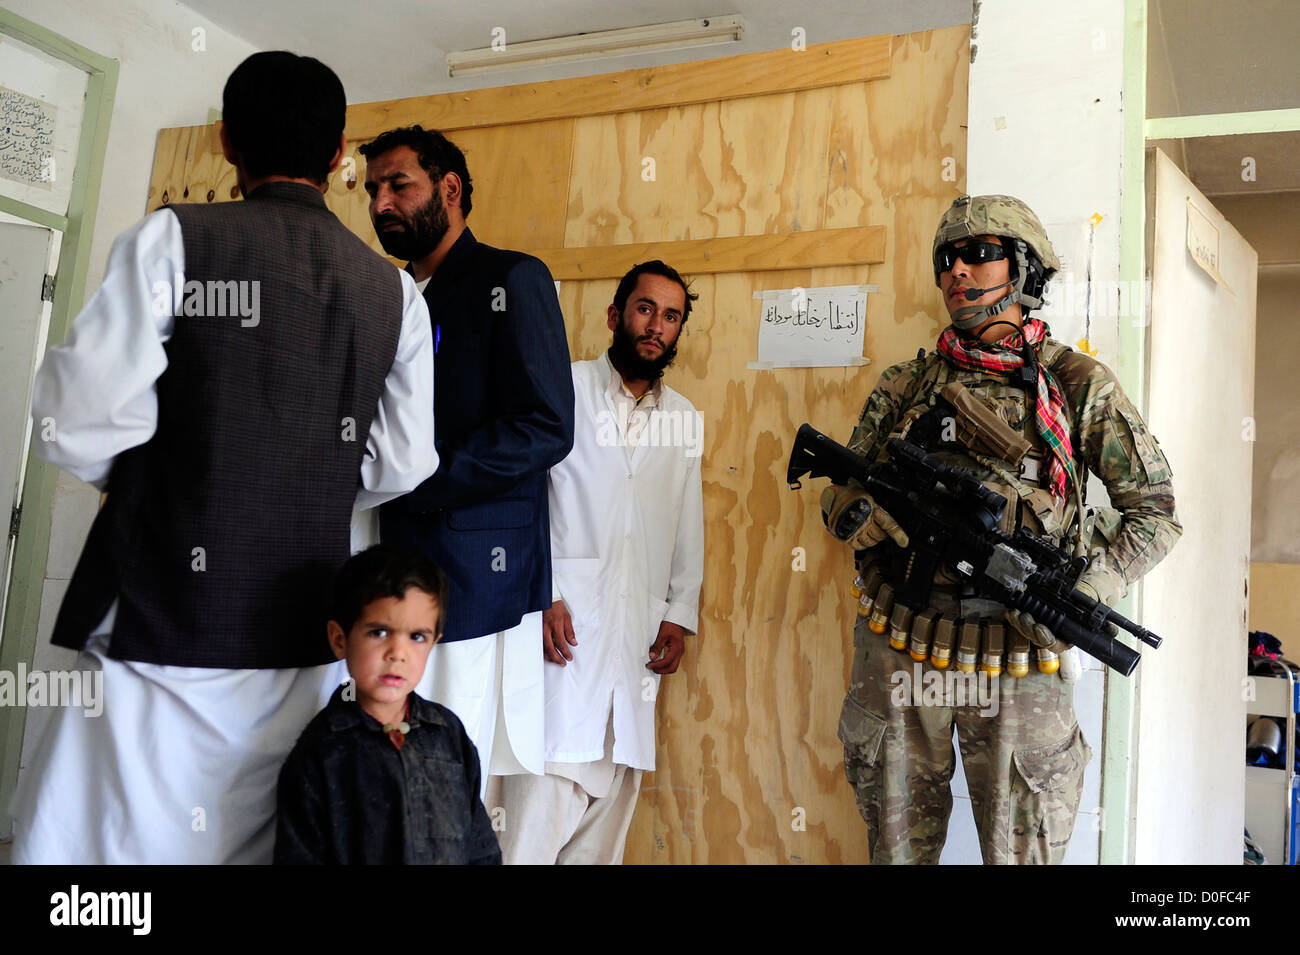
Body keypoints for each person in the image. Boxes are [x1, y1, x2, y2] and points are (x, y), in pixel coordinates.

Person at [9, 52, 436, 864]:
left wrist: (175, 479)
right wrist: (305, 476)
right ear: (342, 150)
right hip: (304, 621)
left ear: (223, 139)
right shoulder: (396, 293)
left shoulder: (175, 239)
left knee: (107, 852)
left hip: (164, 610)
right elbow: (406, 460)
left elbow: (77, 418)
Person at [823, 194, 1182, 864]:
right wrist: (865, 519)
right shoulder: (907, 384)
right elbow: (843, 488)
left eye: (979, 253)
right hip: (902, 644)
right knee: (895, 850)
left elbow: (1156, 513)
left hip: (1018, 655)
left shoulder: (1077, 386)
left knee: (1025, 848)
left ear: (1022, 269)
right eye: (946, 259)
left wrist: (1086, 587)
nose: (957, 270)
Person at [360, 126, 574, 796]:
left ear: (449, 190)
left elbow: (546, 426)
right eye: (372, 190)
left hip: (475, 577)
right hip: (390, 563)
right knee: (395, 770)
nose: (381, 203)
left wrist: (414, 475)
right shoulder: (389, 295)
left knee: (447, 774)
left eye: (399, 184)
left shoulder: (511, 278)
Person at [487, 261, 704, 864]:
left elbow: (688, 522)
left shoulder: (684, 418)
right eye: (644, 308)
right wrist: (543, 589)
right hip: (562, 632)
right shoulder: (565, 390)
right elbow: (525, 495)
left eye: (671, 316)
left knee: (599, 844)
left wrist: (679, 612)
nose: (655, 326)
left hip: (636, 648)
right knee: (527, 836)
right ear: (615, 315)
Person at [274, 546, 501, 865]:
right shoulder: (321, 754)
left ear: (433, 643)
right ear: (340, 639)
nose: (398, 652)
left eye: (417, 637)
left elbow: (481, 850)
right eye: (379, 632)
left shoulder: (448, 734)